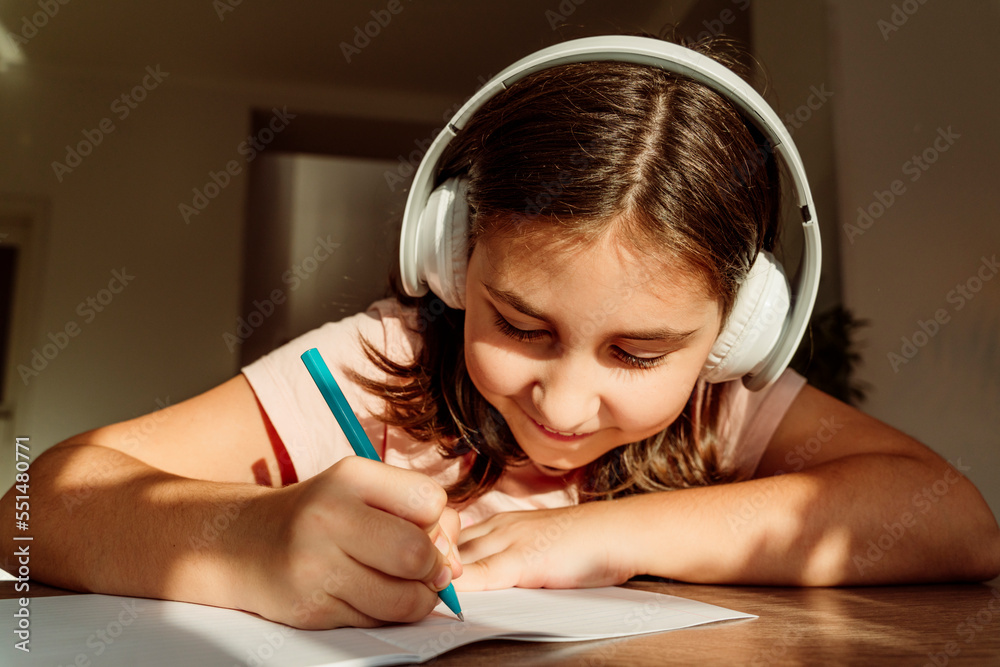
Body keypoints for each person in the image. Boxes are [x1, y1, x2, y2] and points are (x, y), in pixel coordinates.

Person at [3, 32, 998, 631]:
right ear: (448, 262)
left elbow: (951, 518)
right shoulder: (380, 362)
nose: (564, 403)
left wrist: (592, 535)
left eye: (637, 353)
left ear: (736, 334)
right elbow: (33, 507)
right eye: (520, 325)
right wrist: (248, 536)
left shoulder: (722, 405)